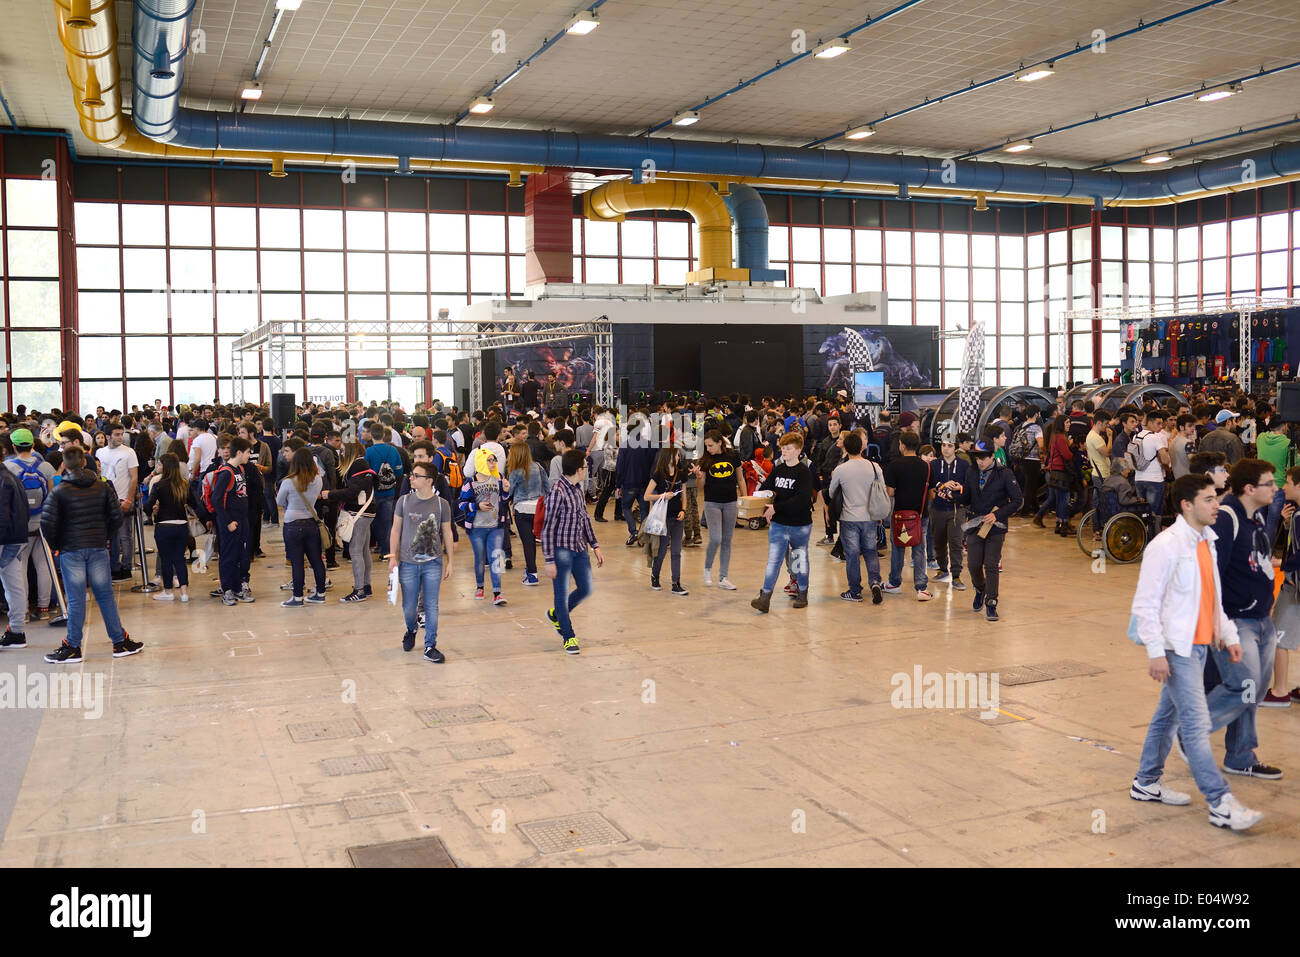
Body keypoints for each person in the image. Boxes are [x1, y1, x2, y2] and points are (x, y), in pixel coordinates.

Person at [1129, 472, 1260, 830]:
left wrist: (1230, 636)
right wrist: (1156, 652)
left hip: (1201, 645)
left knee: (1165, 718)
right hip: (1177, 649)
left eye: (1216, 497)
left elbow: (1212, 599)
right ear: (1187, 505)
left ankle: (1146, 781)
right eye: (1208, 499)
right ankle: (1221, 803)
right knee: (1195, 725)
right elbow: (1145, 605)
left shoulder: (1207, 541)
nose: (1216, 504)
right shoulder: (1166, 546)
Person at [1201, 458, 1284, 779]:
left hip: (1262, 617)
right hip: (1236, 620)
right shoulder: (1227, 518)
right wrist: (1217, 623)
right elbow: (1213, 574)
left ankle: (1240, 755)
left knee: (1256, 689)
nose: (1276, 489)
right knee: (1243, 684)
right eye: (1270, 484)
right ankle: (1191, 727)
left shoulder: (1257, 515)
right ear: (1250, 488)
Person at [40, 447, 142, 663]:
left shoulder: (60, 491)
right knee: (105, 597)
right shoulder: (102, 487)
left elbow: (47, 522)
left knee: (76, 601)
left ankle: (73, 646)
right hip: (97, 547)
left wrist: (57, 545)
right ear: (85, 463)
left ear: (65, 465)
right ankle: (119, 642)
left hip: (71, 550)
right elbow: (116, 516)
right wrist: (105, 535)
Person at [389, 462, 454, 662]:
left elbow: (447, 532)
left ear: (429, 480)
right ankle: (411, 629)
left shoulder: (442, 504)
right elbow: (396, 530)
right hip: (408, 563)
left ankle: (430, 646)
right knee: (409, 607)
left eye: (416, 475)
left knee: (431, 605)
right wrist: (393, 557)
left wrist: (450, 561)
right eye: (412, 475)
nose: (411, 478)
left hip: (433, 563)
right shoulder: (404, 501)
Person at [541, 448, 604, 655]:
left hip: (579, 547)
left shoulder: (578, 489)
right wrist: (549, 559)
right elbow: (547, 529)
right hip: (561, 551)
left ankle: (557, 614)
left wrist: (595, 545)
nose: (586, 470)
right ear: (578, 469)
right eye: (585, 467)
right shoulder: (557, 493)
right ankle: (568, 637)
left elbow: (584, 517)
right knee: (561, 594)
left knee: (586, 589)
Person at [751, 432, 816, 613]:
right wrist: (760, 500)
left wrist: (776, 509)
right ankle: (765, 597)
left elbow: (802, 500)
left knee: (799, 559)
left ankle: (802, 593)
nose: (784, 451)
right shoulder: (778, 469)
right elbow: (767, 488)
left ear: (798, 450)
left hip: (800, 524)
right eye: (782, 448)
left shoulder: (804, 472)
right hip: (779, 523)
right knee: (774, 560)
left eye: (788, 449)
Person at [960, 440, 1023, 622]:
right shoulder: (971, 471)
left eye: (984, 458)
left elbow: (1018, 500)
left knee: (991, 564)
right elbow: (966, 498)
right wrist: (954, 495)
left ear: (992, 457)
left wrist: (997, 515)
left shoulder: (1005, 473)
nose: (980, 462)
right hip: (974, 524)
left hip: (995, 528)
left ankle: (991, 602)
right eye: (977, 458)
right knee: (973, 564)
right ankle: (980, 589)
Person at [3, 427, 56, 623]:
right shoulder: (46, 467)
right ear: (33, 444)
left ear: (13, 447)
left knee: (19, 569)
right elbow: (51, 497)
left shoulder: (9, 468)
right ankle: (43, 608)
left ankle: (22, 611)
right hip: (42, 524)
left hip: (20, 527)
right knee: (43, 566)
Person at [830, 430, 889, 604]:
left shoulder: (841, 469)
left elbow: (833, 492)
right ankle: (875, 582)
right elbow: (882, 490)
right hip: (870, 516)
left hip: (849, 518)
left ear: (846, 449)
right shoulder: (874, 467)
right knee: (871, 552)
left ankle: (855, 591)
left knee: (853, 554)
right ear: (862, 448)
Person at [693, 430, 745, 590]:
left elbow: (740, 478)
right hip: (712, 503)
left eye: (711, 445)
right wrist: (699, 477)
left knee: (727, 540)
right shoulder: (705, 460)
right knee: (715, 538)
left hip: (730, 502)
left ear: (720, 443)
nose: (708, 448)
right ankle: (707, 568)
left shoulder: (733, 456)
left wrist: (745, 497)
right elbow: (700, 488)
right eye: (706, 445)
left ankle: (723, 577)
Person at [882, 431, 932, 601]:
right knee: (919, 549)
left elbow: (890, 492)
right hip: (920, 514)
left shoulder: (895, 465)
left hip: (900, 515)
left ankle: (894, 583)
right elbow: (931, 493)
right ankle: (921, 588)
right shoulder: (926, 466)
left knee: (897, 547)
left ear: (902, 445)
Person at [324, 442, 376, 602]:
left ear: (352, 452)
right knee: (363, 551)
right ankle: (366, 587)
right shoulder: (362, 465)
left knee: (355, 551)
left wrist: (330, 494)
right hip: (366, 512)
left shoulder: (357, 466)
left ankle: (359, 590)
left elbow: (352, 492)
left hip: (359, 513)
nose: (341, 453)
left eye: (343, 450)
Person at [278, 446, 328, 606]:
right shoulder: (318, 480)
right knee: (316, 560)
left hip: (292, 524)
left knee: (297, 562)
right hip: (311, 523)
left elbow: (279, 501)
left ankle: (297, 597)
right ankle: (320, 594)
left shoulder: (288, 482)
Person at [460, 448, 510, 605]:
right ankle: (480, 586)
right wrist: (477, 506)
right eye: (489, 460)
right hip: (476, 528)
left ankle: (497, 592)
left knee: (496, 556)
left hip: (496, 526)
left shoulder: (500, 478)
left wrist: (507, 491)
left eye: (494, 460)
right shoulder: (470, 482)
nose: (493, 463)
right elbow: (461, 504)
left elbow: (503, 499)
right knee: (480, 558)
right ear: (481, 462)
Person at [144, 452, 192, 603]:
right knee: (180, 559)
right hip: (182, 526)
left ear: (165, 466)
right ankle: (184, 593)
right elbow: (196, 504)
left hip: (164, 526)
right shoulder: (184, 484)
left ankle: (168, 591)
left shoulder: (159, 485)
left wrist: (154, 510)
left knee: (166, 559)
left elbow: (147, 507)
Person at [212, 437, 254, 606]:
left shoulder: (240, 470)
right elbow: (216, 499)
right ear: (239, 452)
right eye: (248, 452)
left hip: (242, 520)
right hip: (229, 522)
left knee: (240, 555)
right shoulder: (226, 472)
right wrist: (228, 521)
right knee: (228, 556)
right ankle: (227, 589)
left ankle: (237, 588)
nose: (249, 456)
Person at [96, 421, 139, 582]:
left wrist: (129, 498)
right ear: (108, 436)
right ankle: (112, 566)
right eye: (117, 434)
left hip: (123, 498)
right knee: (110, 536)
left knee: (125, 535)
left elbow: (134, 477)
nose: (120, 437)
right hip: (106, 500)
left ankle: (126, 567)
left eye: (121, 434)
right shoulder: (100, 452)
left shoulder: (129, 453)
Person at [645, 447, 688, 596]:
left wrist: (684, 510)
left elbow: (684, 497)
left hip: (678, 517)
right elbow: (646, 496)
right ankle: (655, 576)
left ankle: (676, 583)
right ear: (668, 457)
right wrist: (663, 495)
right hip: (662, 519)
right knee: (662, 550)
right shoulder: (658, 475)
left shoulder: (681, 474)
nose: (678, 457)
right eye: (676, 455)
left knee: (677, 552)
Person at [928, 436, 969, 591]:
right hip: (937, 508)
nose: (946, 448)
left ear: (956, 448)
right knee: (938, 541)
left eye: (950, 445)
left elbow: (970, 486)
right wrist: (941, 486)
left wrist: (960, 488)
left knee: (956, 542)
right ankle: (942, 569)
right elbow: (930, 486)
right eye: (944, 445)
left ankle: (956, 575)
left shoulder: (964, 465)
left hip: (957, 509)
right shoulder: (934, 464)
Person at [506, 439, 548, 586]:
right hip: (538, 508)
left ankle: (532, 573)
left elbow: (508, 493)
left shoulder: (515, 472)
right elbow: (548, 489)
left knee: (528, 543)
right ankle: (532, 570)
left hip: (522, 510)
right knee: (538, 540)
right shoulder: (538, 467)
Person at [364, 422, 404, 560]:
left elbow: (365, 473)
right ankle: (386, 551)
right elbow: (399, 471)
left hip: (374, 493)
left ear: (371, 435)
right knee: (387, 522)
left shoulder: (368, 451)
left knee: (374, 521)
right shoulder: (393, 450)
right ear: (384, 434)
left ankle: (379, 545)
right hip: (390, 491)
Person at [1130, 410, 1171, 540]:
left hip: (1138, 479)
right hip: (1154, 480)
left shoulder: (1136, 436)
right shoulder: (1155, 437)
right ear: (1151, 423)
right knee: (1154, 514)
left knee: (1143, 513)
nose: (1161, 427)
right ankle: (1154, 541)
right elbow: (1165, 460)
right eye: (1158, 424)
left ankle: (1142, 539)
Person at [1255, 417, 1292, 546]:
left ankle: (1257, 552)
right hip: (1278, 486)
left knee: (1259, 522)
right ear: (1283, 426)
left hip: (1259, 485)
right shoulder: (1288, 443)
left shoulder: (1260, 438)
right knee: (1272, 524)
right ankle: (1267, 554)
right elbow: (1293, 465)